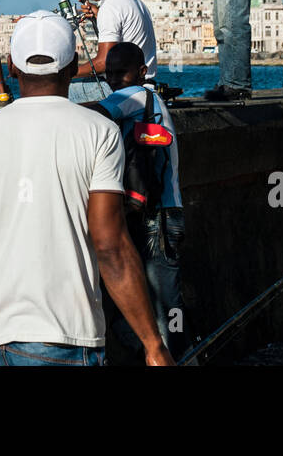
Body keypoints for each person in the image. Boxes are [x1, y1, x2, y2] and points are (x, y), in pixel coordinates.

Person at [0, 11, 175, 367]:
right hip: (64, 334)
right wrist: (153, 346)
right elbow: (110, 247)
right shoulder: (99, 133)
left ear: (12, 66)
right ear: (72, 66)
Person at [92, 42, 185, 358]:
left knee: (161, 299)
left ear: (142, 72)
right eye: (109, 75)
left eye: (121, 73)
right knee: (161, 299)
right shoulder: (152, 100)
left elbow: (96, 113)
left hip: (157, 216)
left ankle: (175, 354)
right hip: (161, 210)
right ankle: (170, 351)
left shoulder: (135, 95)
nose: (115, 80)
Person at [72, 0, 158, 82]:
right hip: (147, 84)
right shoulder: (133, 0)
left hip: (127, 88)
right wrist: (99, 12)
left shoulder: (110, 7)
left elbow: (104, 62)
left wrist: (66, 74)